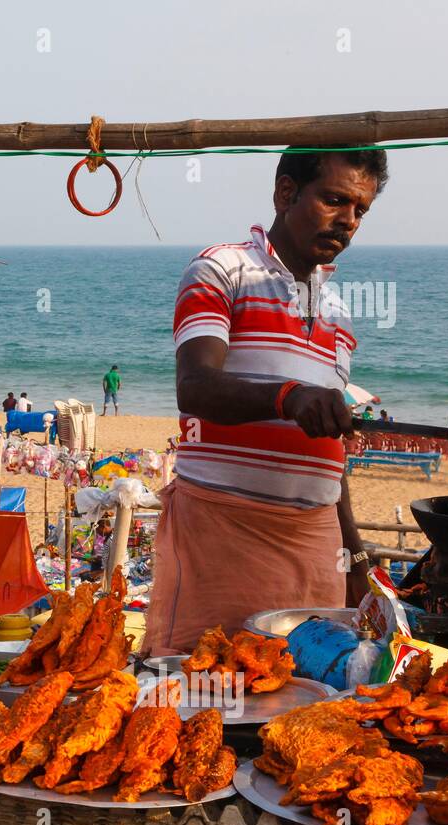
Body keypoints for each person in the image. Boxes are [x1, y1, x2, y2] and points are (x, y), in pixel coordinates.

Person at [147, 144, 389, 656]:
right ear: (285, 191)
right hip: (220, 535)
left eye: (360, 210)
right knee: (201, 698)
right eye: (334, 200)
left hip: (316, 547)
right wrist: (290, 397)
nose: (348, 221)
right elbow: (195, 387)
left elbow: (331, 454)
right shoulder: (221, 269)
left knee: (304, 706)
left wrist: (356, 559)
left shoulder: (339, 313)